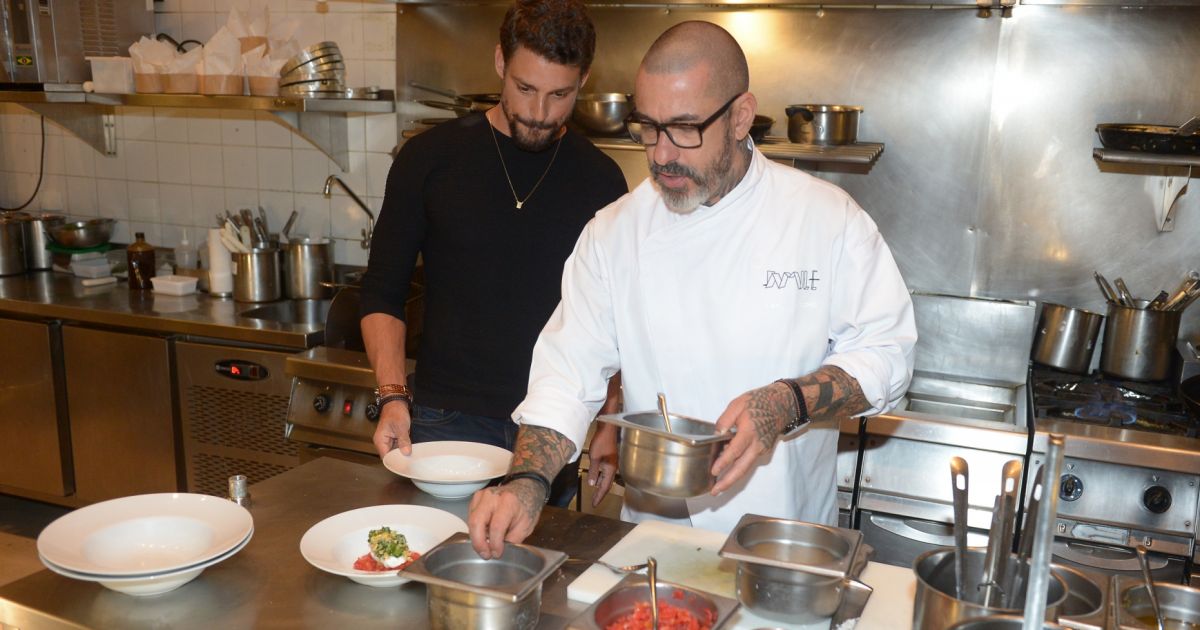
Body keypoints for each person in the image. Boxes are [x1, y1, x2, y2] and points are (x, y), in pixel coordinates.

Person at [467, 20, 917, 556]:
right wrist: (528, 481)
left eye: (683, 128)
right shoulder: (615, 232)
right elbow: (566, 375)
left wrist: (786, 402)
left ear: (740, 116)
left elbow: (888, 355)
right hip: (655, 543)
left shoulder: (824, 219)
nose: (660, 154)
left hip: (784, 545)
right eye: (649, 128)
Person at [359, 0, 627, 508]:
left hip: (555, 424)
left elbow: (614, 319)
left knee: (537, 574)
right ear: (500, 62)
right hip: (446, 421)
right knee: (442, 564)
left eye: (559, 95)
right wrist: (393, 396)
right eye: (526, 89)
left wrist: (608, 424)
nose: (539, 113)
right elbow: (382, 290)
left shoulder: (602, 180)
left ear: (583, 80)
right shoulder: (429, 159)